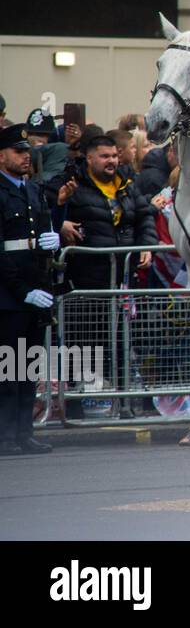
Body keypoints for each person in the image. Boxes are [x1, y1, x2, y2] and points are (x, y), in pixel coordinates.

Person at [0, 124, 67, 455]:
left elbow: (40, 234)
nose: (26, 157)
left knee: (26, 368)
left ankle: (23, 432)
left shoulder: (32, 190)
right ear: (1, 156)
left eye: (28, 152)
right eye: (18, 152)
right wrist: (21, 289)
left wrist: (51, 243)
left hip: (32, 291)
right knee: (6, 369)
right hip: (8, 295)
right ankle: (5, 435)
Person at [62, 135, 156, 291]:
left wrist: (146, 246)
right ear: (90, 158)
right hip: (88, 277)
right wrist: (60, 224)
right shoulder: (72, 182)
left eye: (114, 156)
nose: (111, 161)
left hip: (125, 273)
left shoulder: (127, 184)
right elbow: (47, 210)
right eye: (105, 156)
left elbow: (144, 217)